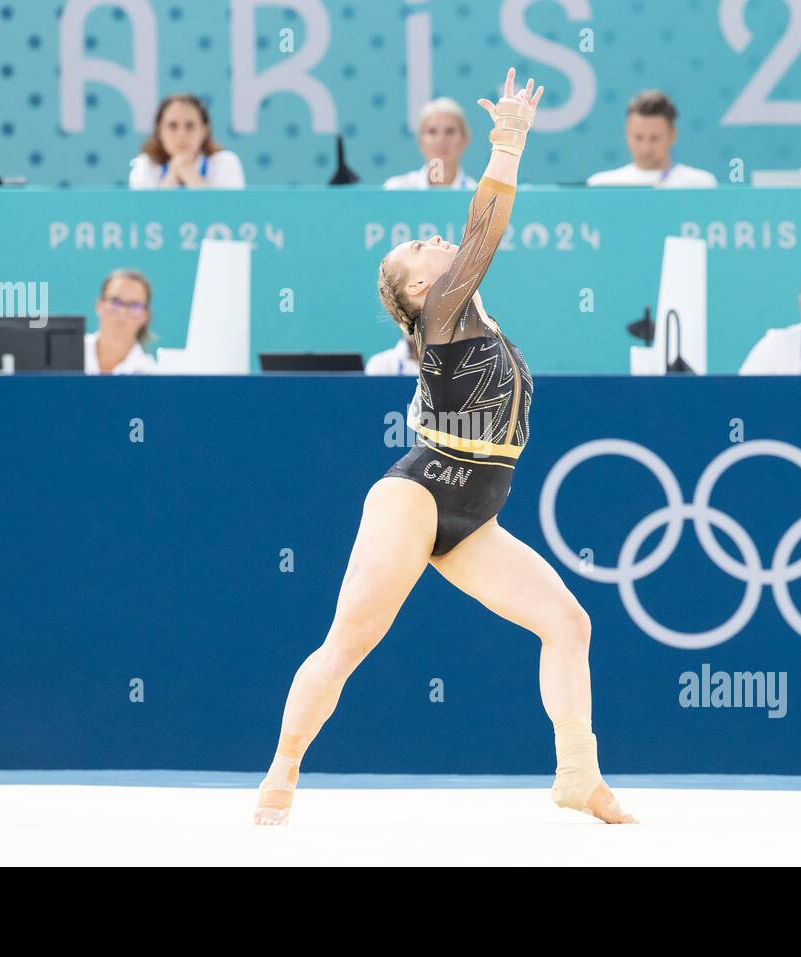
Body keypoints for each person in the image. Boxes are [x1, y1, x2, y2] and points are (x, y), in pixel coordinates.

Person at [254, 68, 636, 827]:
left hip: (476, 515)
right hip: (419, 494)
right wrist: (508, 141)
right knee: (352, 639)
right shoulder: (442, 317)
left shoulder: (472, 321)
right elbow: (485, 230)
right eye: (418, 249)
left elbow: (474, 243)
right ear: (417, 291)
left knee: (568, 622)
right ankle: (281, 774)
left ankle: (577, 773)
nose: (434, 239)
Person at [586, 90, 717, 188]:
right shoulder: (602, 185)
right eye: (638, 137)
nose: (646, 147)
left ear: (672, 135)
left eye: (654, 138)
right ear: (627, 133)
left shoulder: (701, 184)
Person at [128, 94, 245, 190]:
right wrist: (172, 176)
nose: (181, 134)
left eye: (190, 126)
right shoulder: (144, 166)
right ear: (159, 131)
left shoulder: (226, 163)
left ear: (204, 130)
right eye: (172, 126)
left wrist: (190, 175)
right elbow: (146, 216)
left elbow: (228, 215)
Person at [383, 97, 478, 190]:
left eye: (450, 131)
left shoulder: (479, 197)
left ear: (465, 139)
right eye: (432, 131)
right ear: (420, 140)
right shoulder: (397, 190)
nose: (441, 139)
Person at [86, 270, 158, 374]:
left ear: (145, 316)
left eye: (134, 306)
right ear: (99, 305)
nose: (122, 312)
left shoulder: (151, 374)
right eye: (115, 301)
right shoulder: (66, 353)